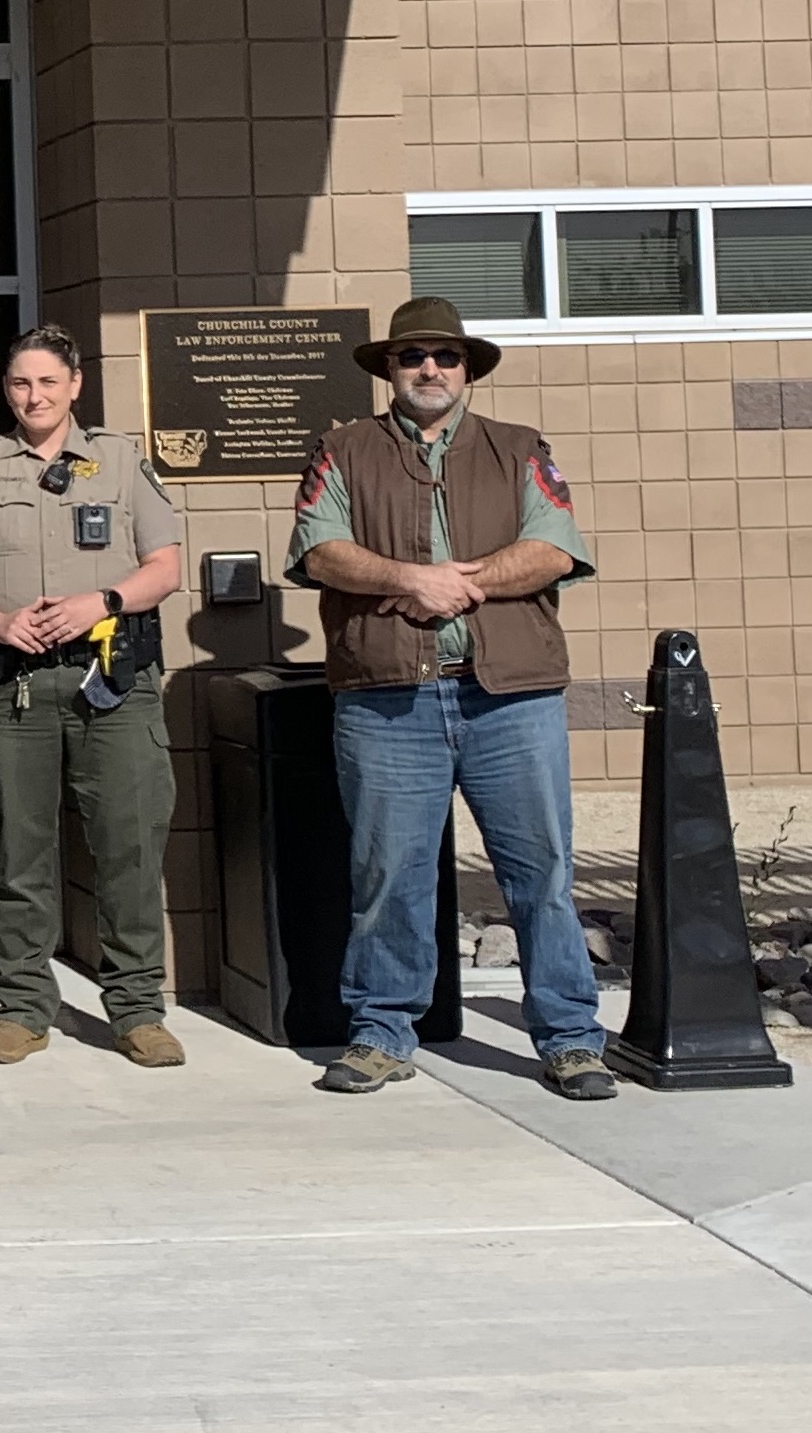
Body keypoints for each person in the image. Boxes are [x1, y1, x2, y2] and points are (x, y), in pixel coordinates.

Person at [287, 296, 614, 1101]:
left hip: (511, 698)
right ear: (388, 370)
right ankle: (380, 1031)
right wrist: (408, 578)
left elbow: (552, 547)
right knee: (387, 875)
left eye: (446, 357)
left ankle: (571, 1037)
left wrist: (459, 584)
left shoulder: (520, 448)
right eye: (412, 357)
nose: (429, 370)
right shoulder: (341, 449)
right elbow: (320, 549)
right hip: (387, 698)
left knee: (540, 872)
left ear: (468, 369)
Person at [0, 325, 187, 1068]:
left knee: (129, 849)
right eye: (20, 384)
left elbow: (165, 565)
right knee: (17, 853)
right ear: (6, 391)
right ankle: (21, 1007)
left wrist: (101, 601)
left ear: (75, 384)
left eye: (48, 382)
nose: (34, 396)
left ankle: (138, 1008)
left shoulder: (118, 460)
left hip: (111, 683)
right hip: (10, 688)